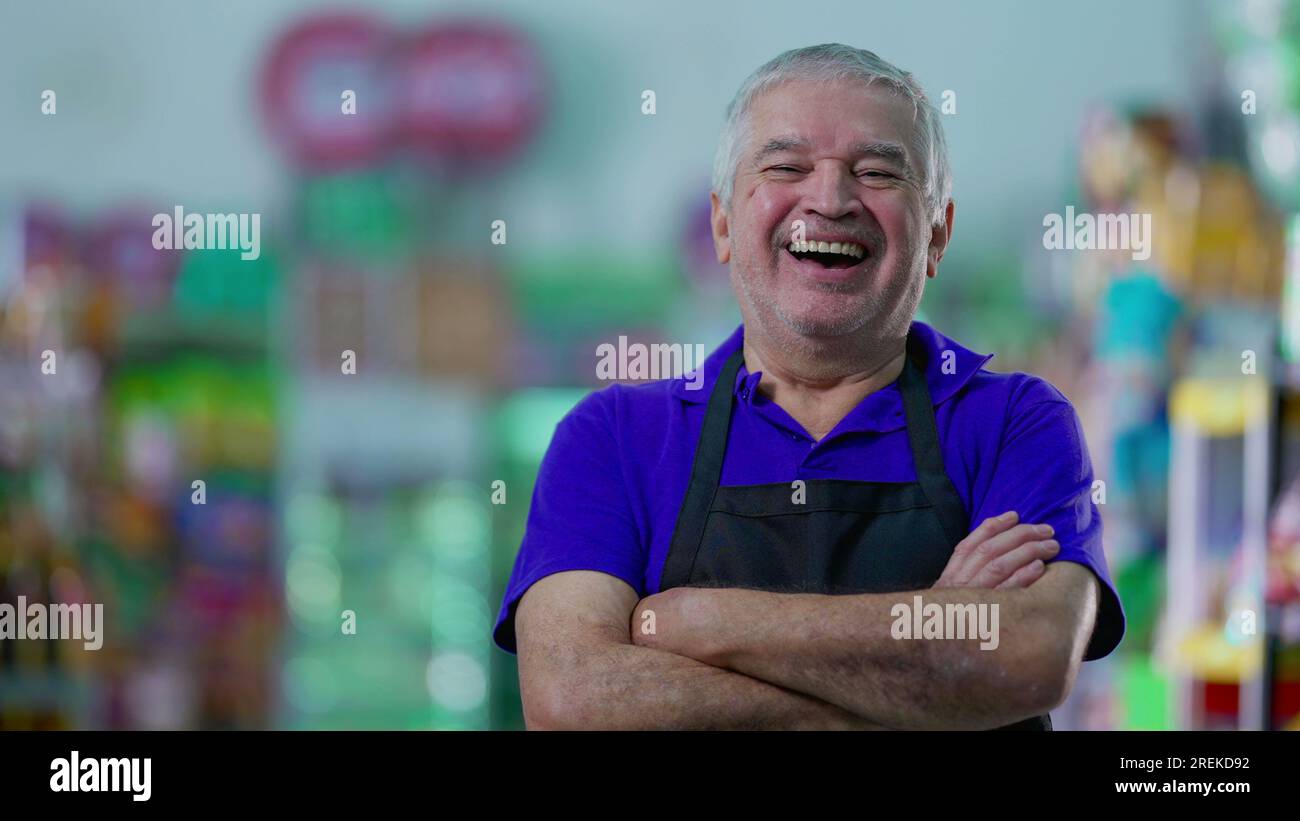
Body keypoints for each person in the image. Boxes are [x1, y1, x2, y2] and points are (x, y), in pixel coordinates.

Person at [494, 43, 1125, 730]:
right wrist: (931, 648)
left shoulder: (1016, 422)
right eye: (787, 166)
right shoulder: (612, 438)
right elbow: (574, 703)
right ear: (723, 223)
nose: (829, 198)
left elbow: (1029, 656)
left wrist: (706, 622)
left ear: (937, 234)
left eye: (878, 171)